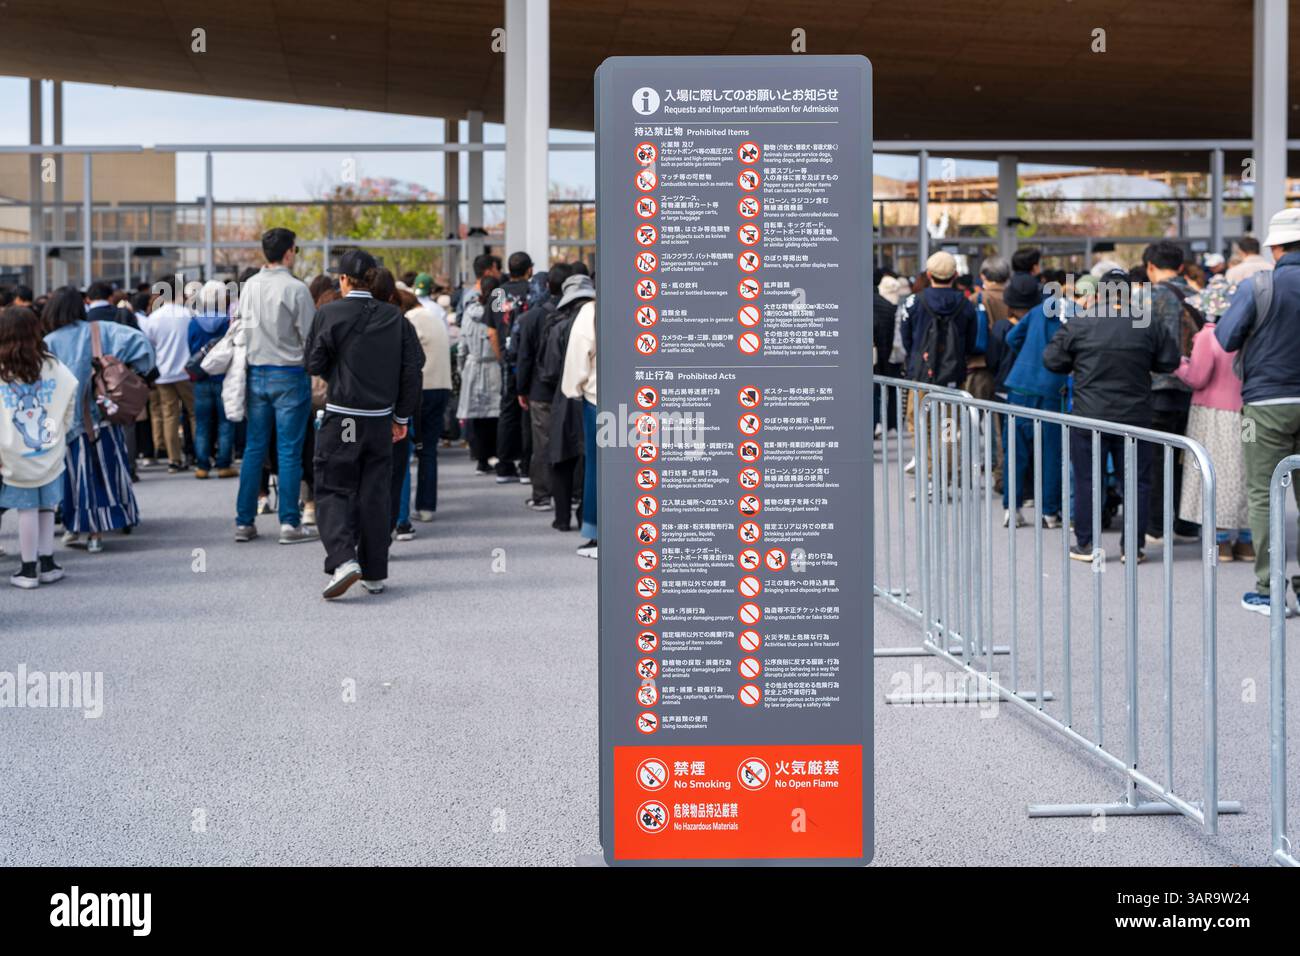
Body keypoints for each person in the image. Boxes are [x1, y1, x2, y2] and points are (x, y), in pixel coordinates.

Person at [306, 250, 423, 599]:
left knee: (333, 487)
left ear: (343, 279)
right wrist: (402, 416)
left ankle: (343, 559)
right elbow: (412, 368)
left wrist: (338, 372)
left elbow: (313, 363)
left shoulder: (328, 314)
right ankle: (374, 571)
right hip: (380, 420)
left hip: (344, 416)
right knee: (375, 493)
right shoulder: (396, 318)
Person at [1043, 270, 1180, 563]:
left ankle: (1086, 544)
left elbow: (1052, 359)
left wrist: (1077, 363)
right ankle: (1132, 548)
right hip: (1136, 415)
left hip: (1089, 415)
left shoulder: (1081, 321)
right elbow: (1169, 361)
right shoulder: (1147, 322)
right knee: (1136, 482)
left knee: (1087, 479)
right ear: (1129, 294)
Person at [1215, 206, 1300, 615]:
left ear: (1276, 246)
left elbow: (1226, 338)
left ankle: (1270, 590)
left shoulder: (1258, 286)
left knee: (1264, 494)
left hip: (1265, 404)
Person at [42, 286, 156, 553]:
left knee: (74, 478)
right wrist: (126, 370)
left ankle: (76, 526)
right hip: (104, 416)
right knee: (105, 475)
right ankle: (99, 531)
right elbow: (143, 347)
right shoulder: (100, 330)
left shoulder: (50, 343)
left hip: (66, 425)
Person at [230, 227, 318, 545]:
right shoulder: (296, 289)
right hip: (290, 374)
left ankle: (244, 521)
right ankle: (289, 524)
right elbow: (311, 336)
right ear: (289, 252)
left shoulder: (249, 286)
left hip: (255, 373)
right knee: (289, 451)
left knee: (254, 449)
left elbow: (240, 325)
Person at [0, 306, 78, 588]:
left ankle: (28, 568)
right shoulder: (51, 364)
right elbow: (71, 391)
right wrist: (62, 428)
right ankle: (48, 563)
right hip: (50, 449)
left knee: (26, 510)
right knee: (46, 507)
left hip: (10, 453)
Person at [1176, 276, 1251, 562]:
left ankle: (1220, 541)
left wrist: (1179, 366)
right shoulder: (1251, 333)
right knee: (1246, 472)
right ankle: (1247, 540)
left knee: (1215, 471)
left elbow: (1197, 378)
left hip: (1212, 415)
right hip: (1247, 414)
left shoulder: (1208, 335)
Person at [1143, 240, 1201, 544]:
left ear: (1150, 267)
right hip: (1196, 390)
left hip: (1156, 389)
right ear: (1180, 266)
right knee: (1189, 458)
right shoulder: (1200, 297)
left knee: (1154, 459)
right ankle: (1188, 524)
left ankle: (1155, 527)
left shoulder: (1145, 299)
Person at [999, 277, 1069, 528]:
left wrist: (1028, 357)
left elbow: (1012, 338)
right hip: (1053, 387)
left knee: (1015, 449)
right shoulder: (1077, 314)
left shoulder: (1039, 310)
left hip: (1020, 383)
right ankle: (1049, 512)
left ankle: (1011, 508)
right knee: (1051, 449)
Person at [516, 262, 572, 511]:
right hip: (571, 387)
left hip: (540, 390)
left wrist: (521, 389)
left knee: (542, 442)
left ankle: (542, 494)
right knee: (573, 441)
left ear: (547, 285)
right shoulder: (579, 313)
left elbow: (524, 356)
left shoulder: (532, 317)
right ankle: (574, 494)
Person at [400, 286, 452, 524]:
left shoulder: (410, 320)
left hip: (421, 390)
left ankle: (401, 514)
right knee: (428, 451)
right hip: (442, 387)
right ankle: (426, 506)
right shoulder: (435, 316)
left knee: (405, 450)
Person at [560, 272, 598, 558]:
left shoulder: (591, 310)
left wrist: (573, 388)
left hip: (599, 400)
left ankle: (597, 534)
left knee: (598, 468)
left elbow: (578, 356)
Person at [140, 286, 197, 473]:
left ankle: (174, 459)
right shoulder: (187, 313)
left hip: (163, 373)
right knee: (194, 414)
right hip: (186, 371)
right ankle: (199, 454)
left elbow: (149, 344)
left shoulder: (153, 319)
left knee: (169, 416)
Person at [492, 251, 534, 485]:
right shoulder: (533, 291)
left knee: (507, 411)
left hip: (507, 359)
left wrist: (501, 358)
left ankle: (504, 466)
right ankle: (526, 466)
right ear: (529, 269)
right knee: (527, 410)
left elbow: (491, 331)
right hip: (528, 357)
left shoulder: (498, 292)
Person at [188, 280, 236, 479]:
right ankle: (223, 465)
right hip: (223, 376)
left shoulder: (194, 322)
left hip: (201, 377)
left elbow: (191, 349)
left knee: (202, 423)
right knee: (225, 422)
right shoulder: (228, 322)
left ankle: (202, 466)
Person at [457, 275, 503, 475]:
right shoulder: (495, 313)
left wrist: (462, 368)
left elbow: (461, 346)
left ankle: (480, 458)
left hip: (472, 365)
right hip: (493, 365)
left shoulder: (468, 313)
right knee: (494, 413)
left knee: (475, 414)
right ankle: (494, 455)